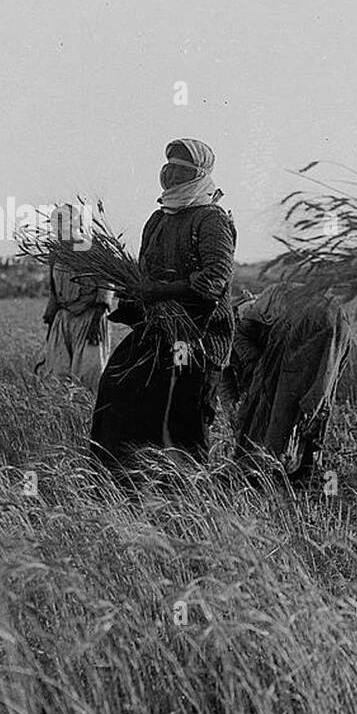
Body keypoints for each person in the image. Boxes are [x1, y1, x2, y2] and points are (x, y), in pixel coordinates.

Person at [89, 139, 237, 474]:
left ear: (198, 175)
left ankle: (190, 495)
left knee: (182, 410)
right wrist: (137, 294)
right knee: (119, 389)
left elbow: (214, 279)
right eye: (168, 167)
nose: (171, 175)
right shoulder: (158, 219)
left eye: (181, 170)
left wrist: (159, 291)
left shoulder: (211, 219)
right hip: (156, 331)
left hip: (195, 336)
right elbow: (144, 272)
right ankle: (125, 478)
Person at [226, 253, 351, 486]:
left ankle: (267, 470)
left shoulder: (253, 315)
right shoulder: (273, 302)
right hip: (326, 331)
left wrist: (253, 375)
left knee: (278, 409)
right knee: (310, 400)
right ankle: (301, 469)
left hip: (299, 340)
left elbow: (248, 359)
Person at [35, 203, 114, 391]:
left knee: (89, 376)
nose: (59, 230)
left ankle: (87, 416)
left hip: (90, 319)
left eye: (64, 225)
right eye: (56, 226)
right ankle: (64, 418)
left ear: (76, 224)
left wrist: (96, 322)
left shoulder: (94, 250)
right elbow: (54, 291)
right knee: (56, 375)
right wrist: (50, 326)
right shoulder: (56, 253)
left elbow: (106, 287)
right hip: (63, 319)